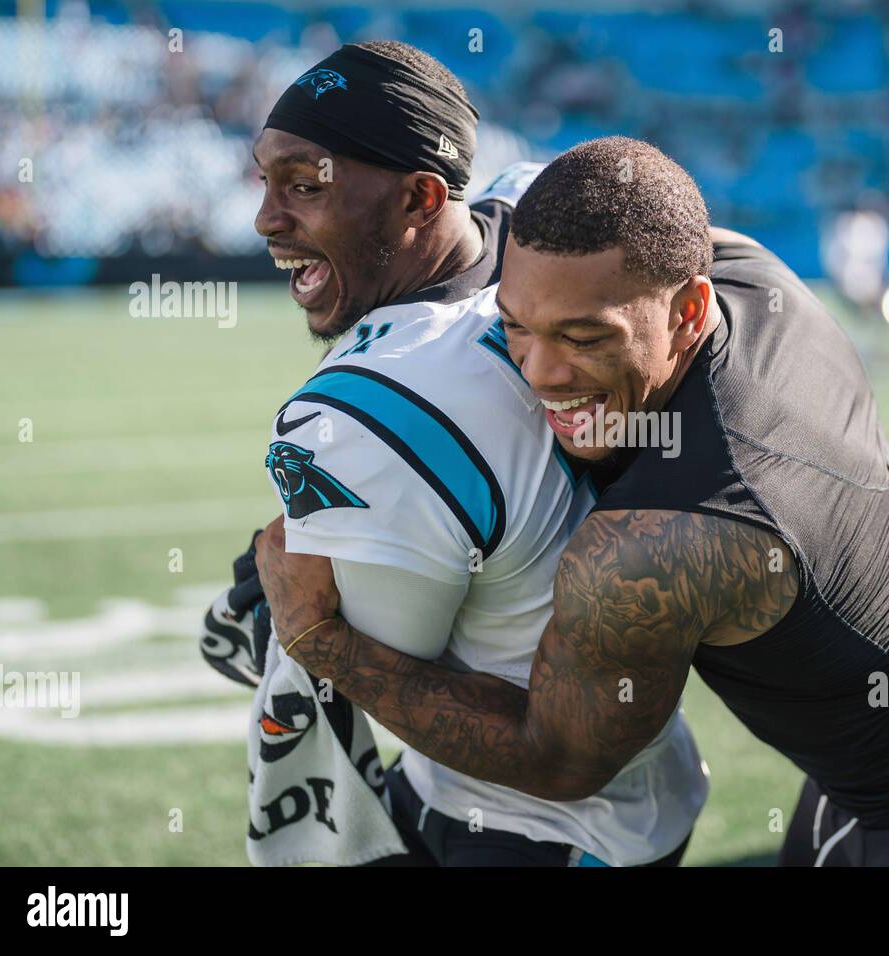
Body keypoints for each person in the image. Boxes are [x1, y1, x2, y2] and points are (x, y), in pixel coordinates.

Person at [257, 137, 889, 867]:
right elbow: (646, 224)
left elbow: (557, 758)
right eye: (514, 326)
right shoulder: (757, 279)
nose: (542, 374)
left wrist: (319, 637)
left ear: (687, 309)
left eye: (585, 337)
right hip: (861, 785)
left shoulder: (664, 539)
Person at [202, 43, 707, 867]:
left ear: (421, 197)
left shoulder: (369, 411)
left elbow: (360, 648)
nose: (266, 217)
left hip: (538, 821)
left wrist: (276, 617)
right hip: (643, 781)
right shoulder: (534, 216)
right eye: (264, 179)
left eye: (306, 183)